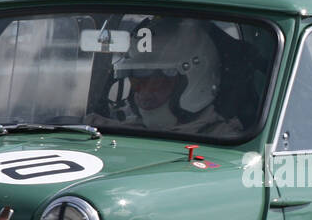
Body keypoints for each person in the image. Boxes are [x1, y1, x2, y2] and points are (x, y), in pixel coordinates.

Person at [90, 18, 239, 136]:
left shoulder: (226, 141)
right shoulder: (107, 131)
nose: (144, 93)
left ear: (196, 81)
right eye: (136, 81)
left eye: (157, 82)